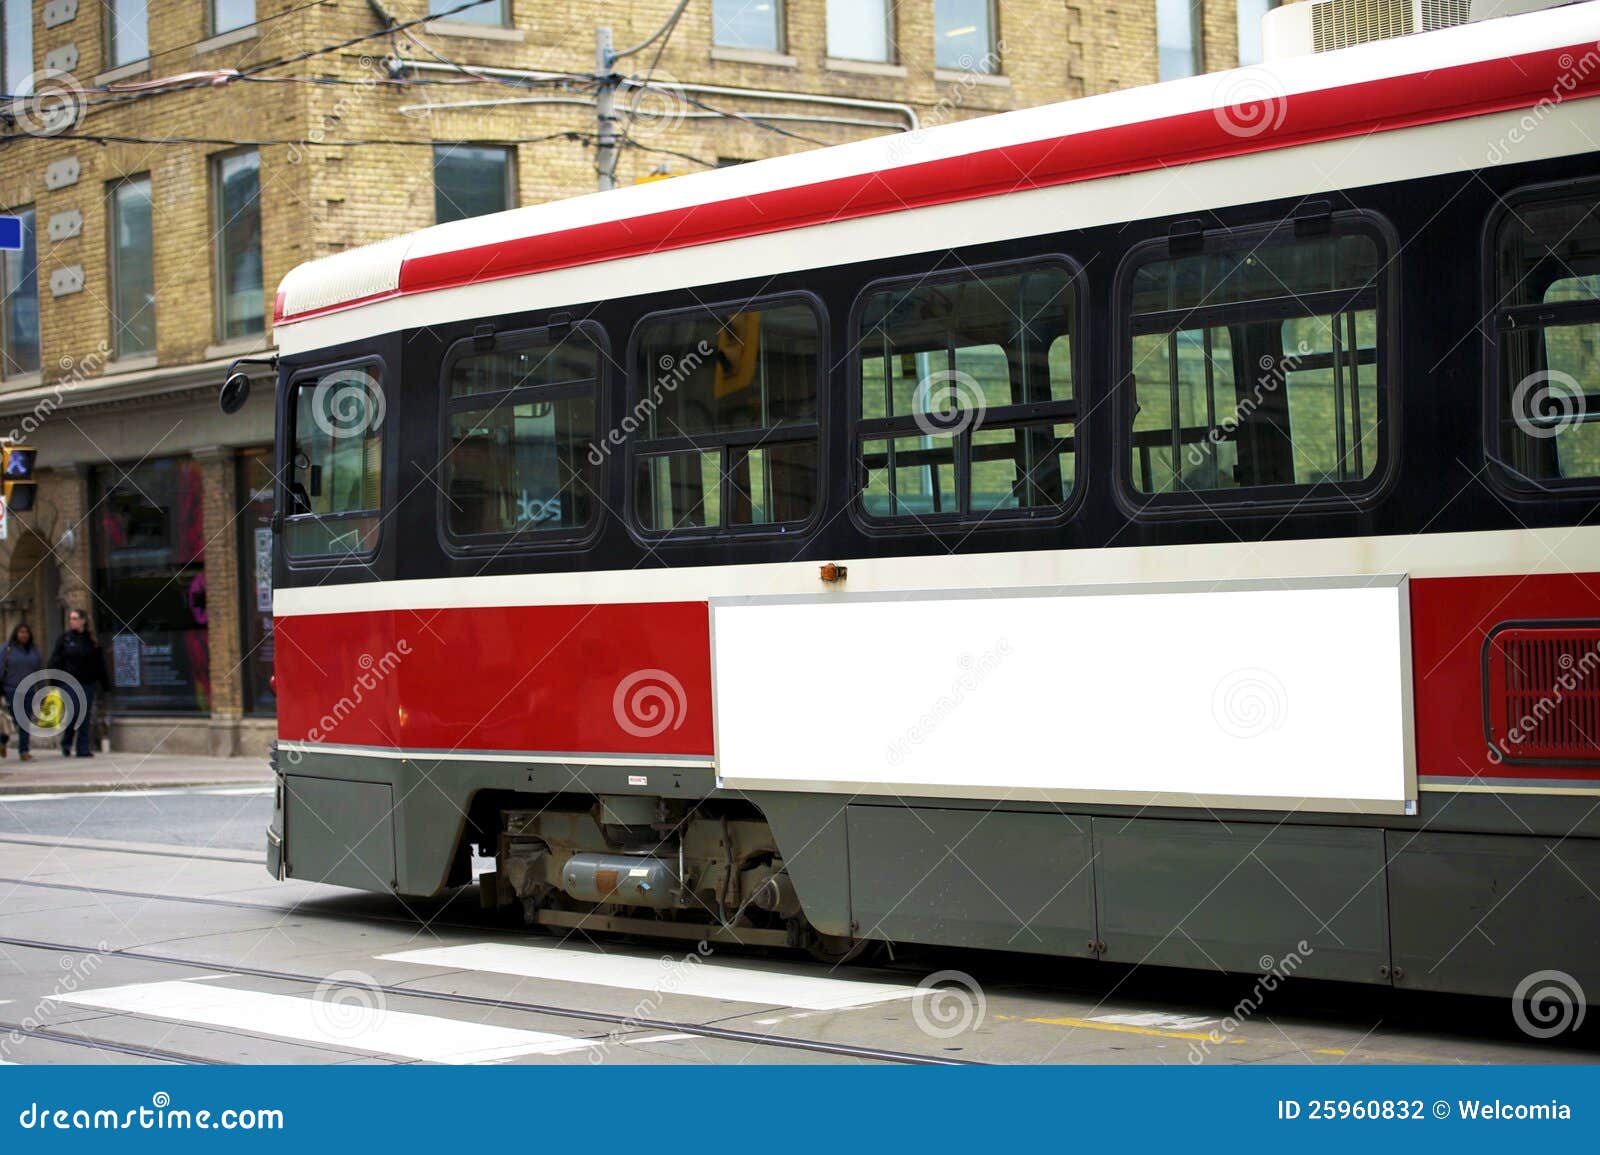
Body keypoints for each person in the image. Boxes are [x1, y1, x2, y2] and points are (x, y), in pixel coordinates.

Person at [49, 609, 108, 758]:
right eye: (70, 619)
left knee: (85, 715)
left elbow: (99, 664)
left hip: (87, 683)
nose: (72, 621)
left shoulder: (91, 640)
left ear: (83, 621)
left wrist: (105, 684)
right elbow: (56, 660)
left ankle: (82, 749)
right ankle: (67, 742)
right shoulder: (65, 639)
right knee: (74, 713)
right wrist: (54, 681)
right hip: (68, 682)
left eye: (75, 618)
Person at [0, 624, 43, 761]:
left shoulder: (34, 650)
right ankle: (3, 739)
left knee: (24, 720)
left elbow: (39, 671)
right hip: (11, 689)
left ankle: (24, 751)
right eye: (21, 632)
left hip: (29, 690)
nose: (24, 635)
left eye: (26, 632)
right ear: (16, 633)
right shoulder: (7, 649)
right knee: (16, 719)